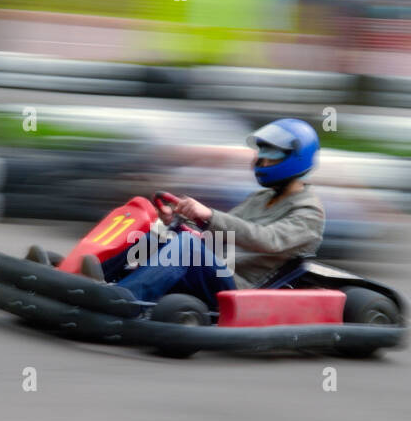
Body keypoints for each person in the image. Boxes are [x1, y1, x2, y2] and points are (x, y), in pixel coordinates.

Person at [100, 118, 326, 304]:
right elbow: (220, 235)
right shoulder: (261, 198)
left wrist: (209, 215)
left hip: (241, 287)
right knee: (158, 237)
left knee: (188, 247)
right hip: (218, 268)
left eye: (270, 157)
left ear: (294, 159)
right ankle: (97, 278)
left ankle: (123, 300)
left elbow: (268, 240)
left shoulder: (309, 212)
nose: (261, 162)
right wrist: (178, 222)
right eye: (261, 155)